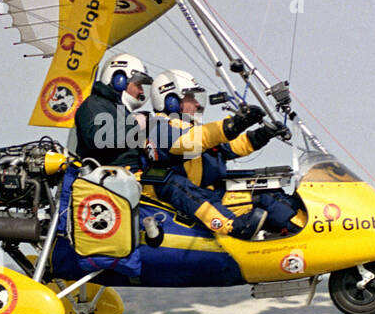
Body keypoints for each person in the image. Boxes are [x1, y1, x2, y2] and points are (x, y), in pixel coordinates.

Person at [141, 70, 270, 239]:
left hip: (202, 191)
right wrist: (232, 125)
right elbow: (188, 142)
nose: (197, 104)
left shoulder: (195, 131)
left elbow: (228, 148)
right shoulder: (159, 127)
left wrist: (263, 134)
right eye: (191, 98)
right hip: (172, 190)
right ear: (172, 101)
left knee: (262, 191)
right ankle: (230, 226)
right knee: (180, 186)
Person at [72, 53, 153, 167]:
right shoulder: (93, 105)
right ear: (119, 80)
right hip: (109, 178)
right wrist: (135, 125)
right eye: (138, 85)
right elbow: (99, 137)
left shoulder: (119, 109)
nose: (141, 91)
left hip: (128, 175)